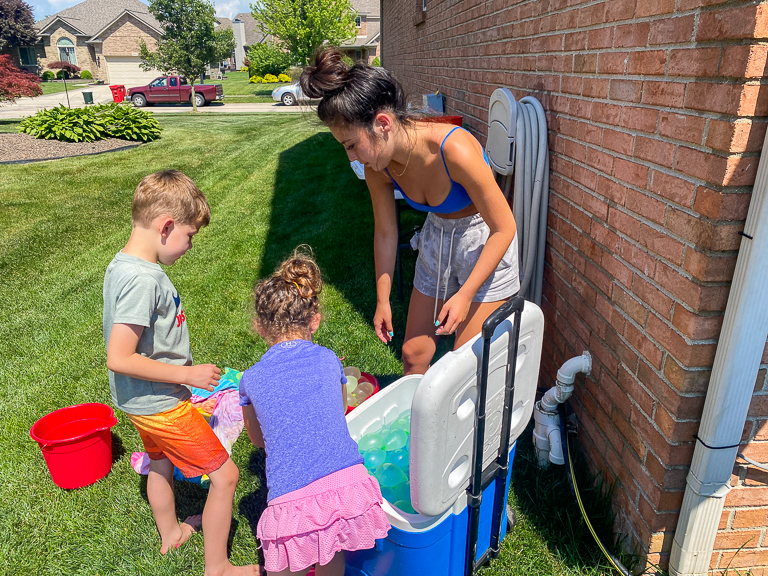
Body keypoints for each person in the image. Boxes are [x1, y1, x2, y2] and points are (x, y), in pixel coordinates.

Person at [300, 49, 520, 375]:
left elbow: (504, 228)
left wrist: (465, 294)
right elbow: (386, 234)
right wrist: (383, 299)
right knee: (413, 355)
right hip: (437, 240)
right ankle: (416, 426)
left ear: (383, 124)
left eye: (351, 144)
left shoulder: (453, 150)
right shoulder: (379, 168)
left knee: (465, 365)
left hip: (484, 242)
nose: (351, 158)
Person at [103, 169, 259, 576]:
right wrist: (186, 376)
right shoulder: (143, 280)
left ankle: (171, 533)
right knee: (226, 475)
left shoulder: (122, 265)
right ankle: (218, 567)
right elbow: (119, 356)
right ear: (166, 226)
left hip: (137, 401)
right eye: (190, 236)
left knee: (159, 462)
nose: (190, 246)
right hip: (161, 405)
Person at [239, 249, 390, 576]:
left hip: (291, 501)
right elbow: (337, 412)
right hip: (347, 487)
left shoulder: (249, 380)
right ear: (315, 319)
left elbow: (258, 439)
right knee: (330, 548)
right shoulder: (328, 359)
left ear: (259, 327)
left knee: (284, 565)